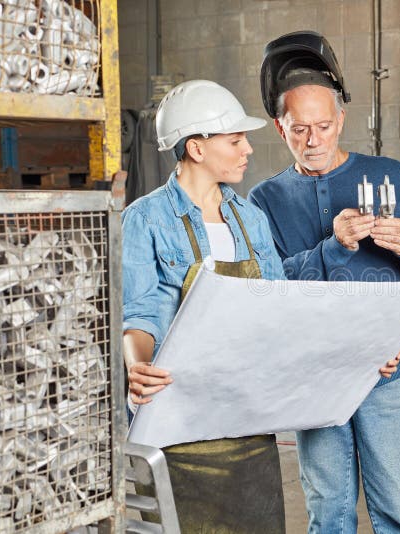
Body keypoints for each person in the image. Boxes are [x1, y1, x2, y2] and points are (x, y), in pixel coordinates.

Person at [249, 31, 400, 533]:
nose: (313, 140)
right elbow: (268, 288)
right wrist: (331, 248)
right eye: (299, 129)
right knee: (329, 512)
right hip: (316, 376)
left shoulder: (390, 175)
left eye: (323, 125)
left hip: (387, 372)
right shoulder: (264, 200)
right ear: (280, 127)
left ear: (341, 119)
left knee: (399, 510)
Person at [122, 79, 288, 533]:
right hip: (181, 422)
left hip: (248, 418)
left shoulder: (251, 219)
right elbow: (140, 314)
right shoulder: (146, 219)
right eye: (235, 139)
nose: (247, 149)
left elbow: (281, 309)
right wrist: (137, 365)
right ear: (196, 148)